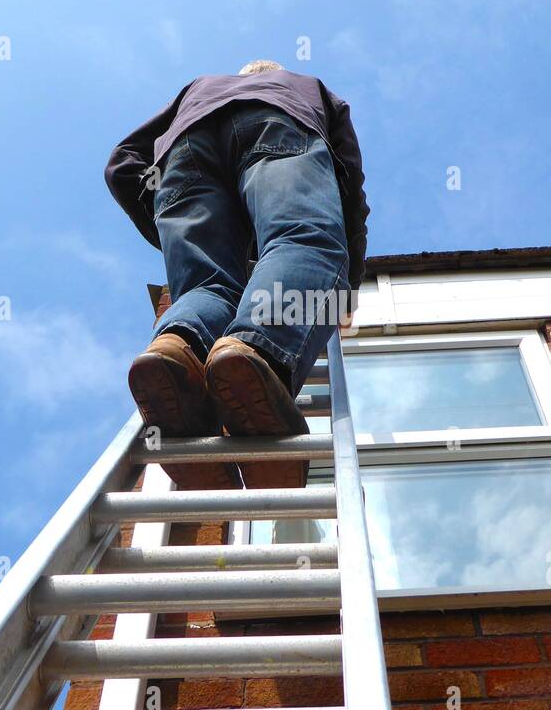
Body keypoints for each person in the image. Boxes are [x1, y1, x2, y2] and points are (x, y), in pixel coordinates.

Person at [104, 60, 370, 491]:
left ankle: (177, 349)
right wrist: (346, 283)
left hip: (185, 153)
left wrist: (170, 225)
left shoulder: (199, 88)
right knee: (301, 242)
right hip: (280, 126)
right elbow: (349, 181)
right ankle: (256, 353)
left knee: (207, 282)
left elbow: (122, 163)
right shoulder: (308, 87)